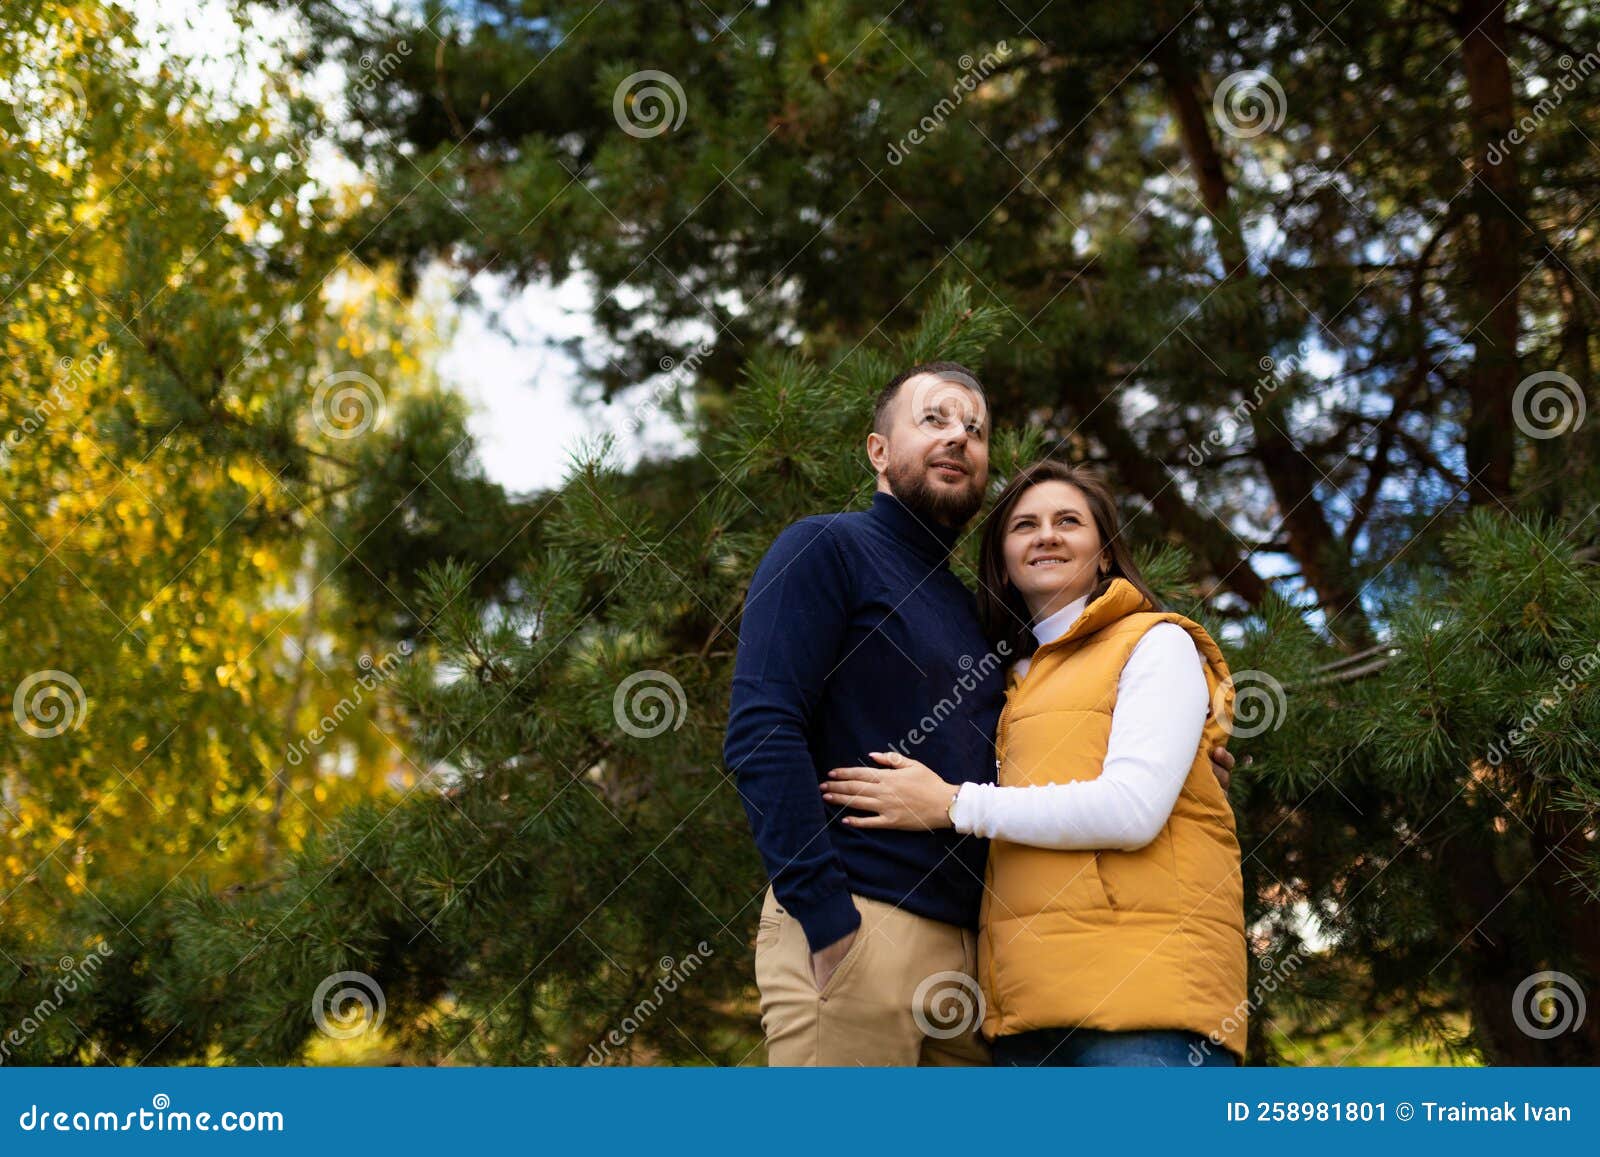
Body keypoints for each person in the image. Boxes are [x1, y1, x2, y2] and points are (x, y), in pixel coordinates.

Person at [724, 364, 1237, 1066]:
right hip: (860, 923)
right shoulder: (826, 548)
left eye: (975, 429)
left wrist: (1185, 759)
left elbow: (1050, 751)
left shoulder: (977, 619)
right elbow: (761, 731)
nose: (958, 437)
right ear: (878, 449)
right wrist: (827, 918)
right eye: (933, 419)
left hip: (979, 968)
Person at [821, 459, 1248, 1066]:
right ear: (1003, 561)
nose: (1046, 534)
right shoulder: (1005, 682)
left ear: (1104, 554)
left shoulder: (1156, 643)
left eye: (1068, 521)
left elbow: (1131, 811)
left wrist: (949, 803)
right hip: (1024, 1014)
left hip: (1143, 1004)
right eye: (1024, 525)